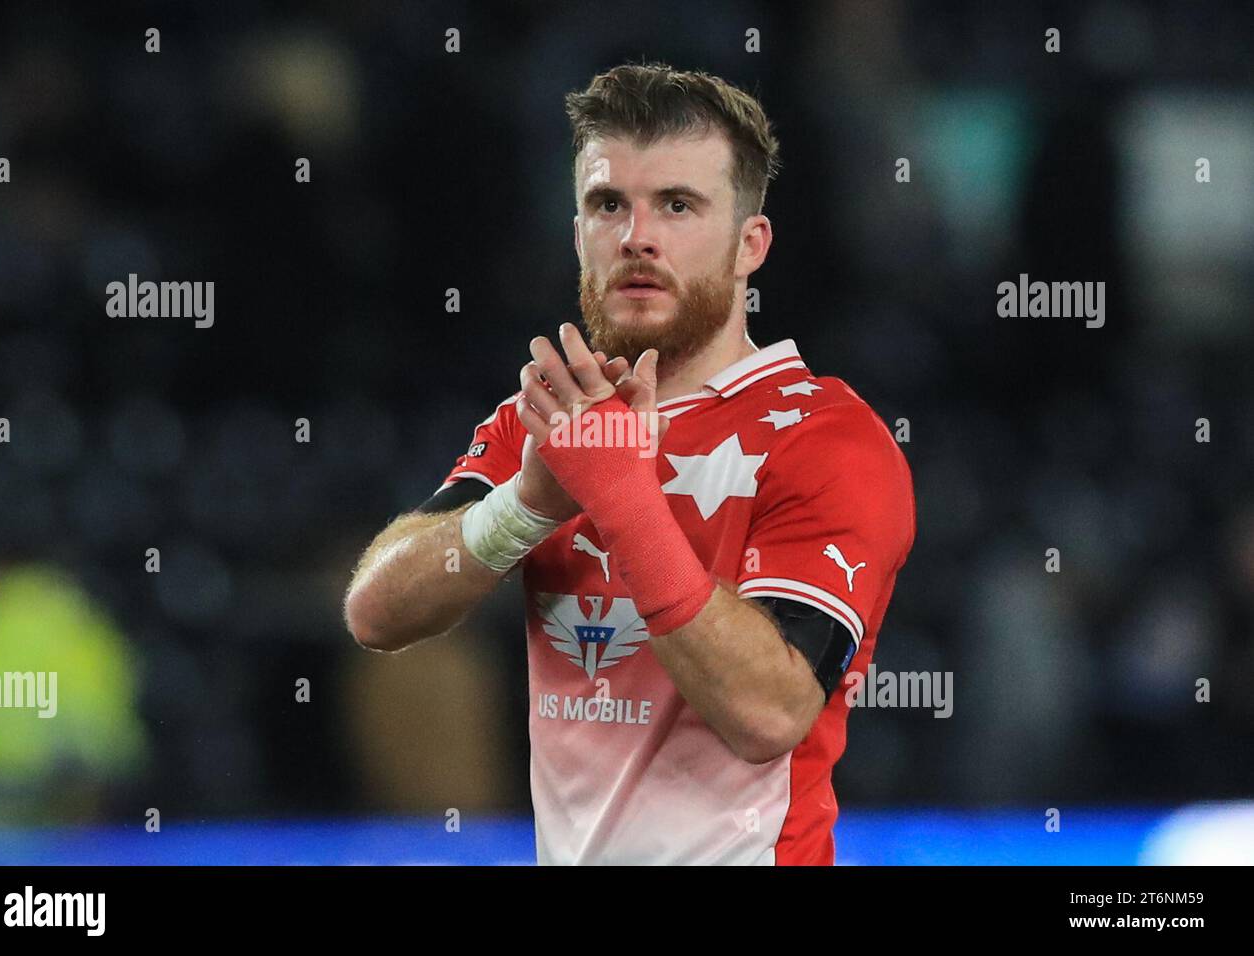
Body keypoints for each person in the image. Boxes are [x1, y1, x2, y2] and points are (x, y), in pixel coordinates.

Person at [344, 62, 915, 865]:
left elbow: (769, 714)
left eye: (677, 205)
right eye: (608, 204)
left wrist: (621, 498)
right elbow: (376, 611)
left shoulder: (826, 437)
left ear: (750, 244)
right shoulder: (544, 422)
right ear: (579, 232)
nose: (636, 235)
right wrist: (529, 501)